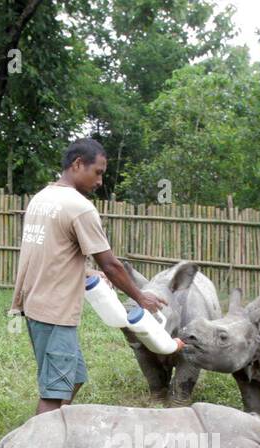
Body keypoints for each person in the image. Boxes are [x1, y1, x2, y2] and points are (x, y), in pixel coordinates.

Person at [11, 137, 166, 415]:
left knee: (75, 377)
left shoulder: (42, 198)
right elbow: (111, 265)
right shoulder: (79, 207)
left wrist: (84, 270)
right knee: (55, 391)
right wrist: (141, 297)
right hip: (55, 311)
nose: (99, 181)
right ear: (78, 164)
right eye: (98, 172)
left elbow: (51, 253)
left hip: (36, 305)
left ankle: (56, 429)